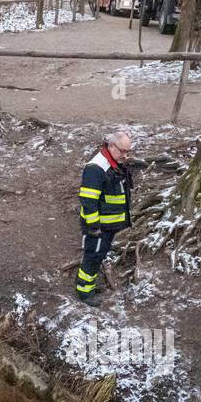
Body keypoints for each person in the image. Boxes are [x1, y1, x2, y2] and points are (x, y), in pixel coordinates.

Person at [75, 131, 133, 306]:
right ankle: (85, 292)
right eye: (122, 151)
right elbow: (88, 200)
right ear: (111, 146)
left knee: (98, 256)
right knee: (93, 256)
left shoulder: (112, 163)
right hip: (98, 226)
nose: (125, 155)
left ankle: (87, 285)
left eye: (127, 151)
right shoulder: (96, 168)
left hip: (108, 225)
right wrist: (93, 226)